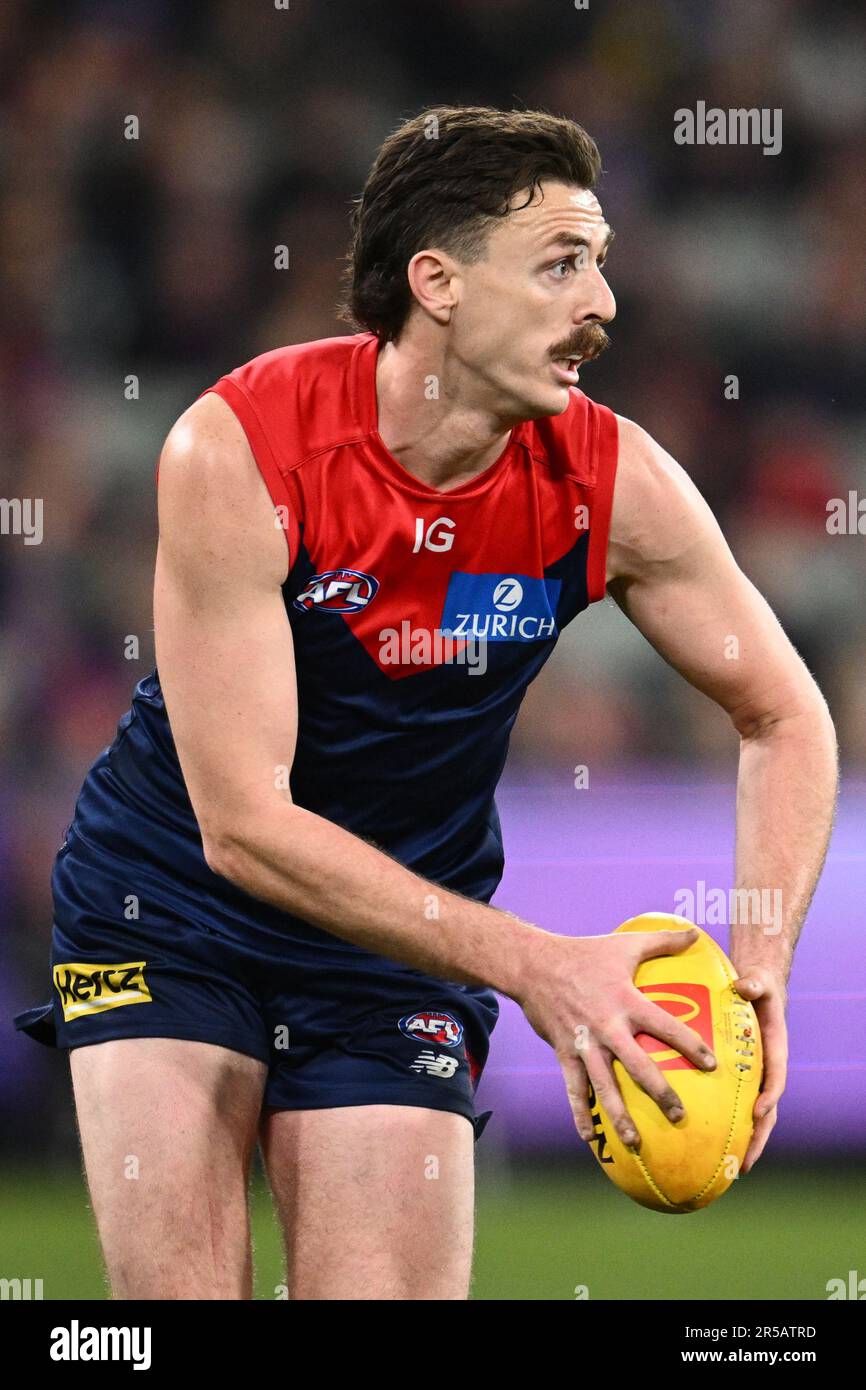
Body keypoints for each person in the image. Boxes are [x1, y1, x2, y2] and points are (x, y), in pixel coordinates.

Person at [15, 105, 837, 1300]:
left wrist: (759, 958)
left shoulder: (615, 481)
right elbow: (241, 825)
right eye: (562, 263)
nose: (601, 304)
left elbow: (784, 715)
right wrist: (539, 967)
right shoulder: (242, 449)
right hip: (172, 906)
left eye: (600, 261)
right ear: (436, 282)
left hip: (397, 946)